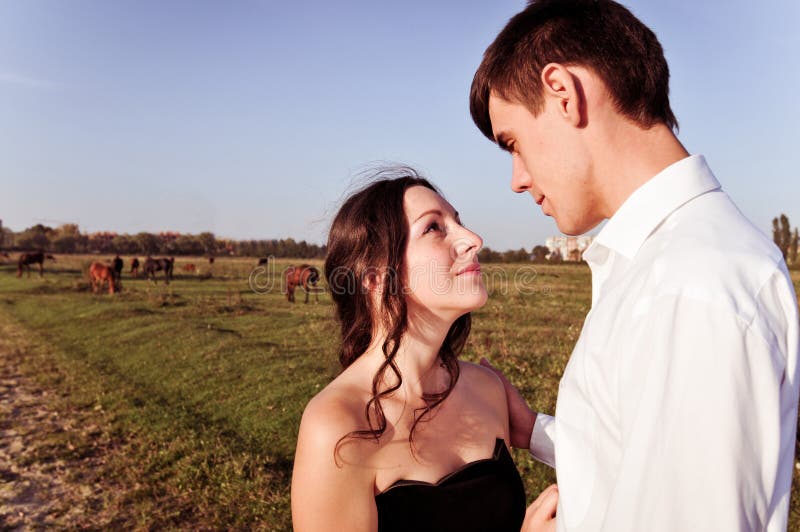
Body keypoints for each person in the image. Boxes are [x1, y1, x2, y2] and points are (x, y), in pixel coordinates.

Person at [470, 0, 799, 530]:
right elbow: (637, 460)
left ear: (562, 93)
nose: (518, 179)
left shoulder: (690, 284)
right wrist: (533, 430)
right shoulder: (665, 262)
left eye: (514, 143)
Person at [291, 170, 557, 531]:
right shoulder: (337, 424)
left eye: (459, 222)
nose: (473, 239)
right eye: (434, 227)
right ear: (375, 278)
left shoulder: (487, 389)